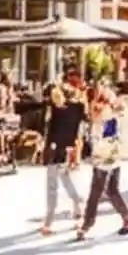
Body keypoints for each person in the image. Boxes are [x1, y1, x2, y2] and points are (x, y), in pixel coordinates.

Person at [74, 86, 128, 241]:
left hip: (104, 159)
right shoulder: (110, 115)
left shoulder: (105, 117)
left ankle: (86, 225)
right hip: (112, 158)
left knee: (96, 192)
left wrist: (98, 155)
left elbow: (106, 140)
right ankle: (127, 220)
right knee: (112, 190)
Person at [40, 84, 85, 235]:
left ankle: (49, 221)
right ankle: (78, 202)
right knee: (65, 178)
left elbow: (50, 131)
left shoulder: (55, 110)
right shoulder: (77, 108)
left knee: (52, 185)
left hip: (55, 149)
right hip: (68, 149)